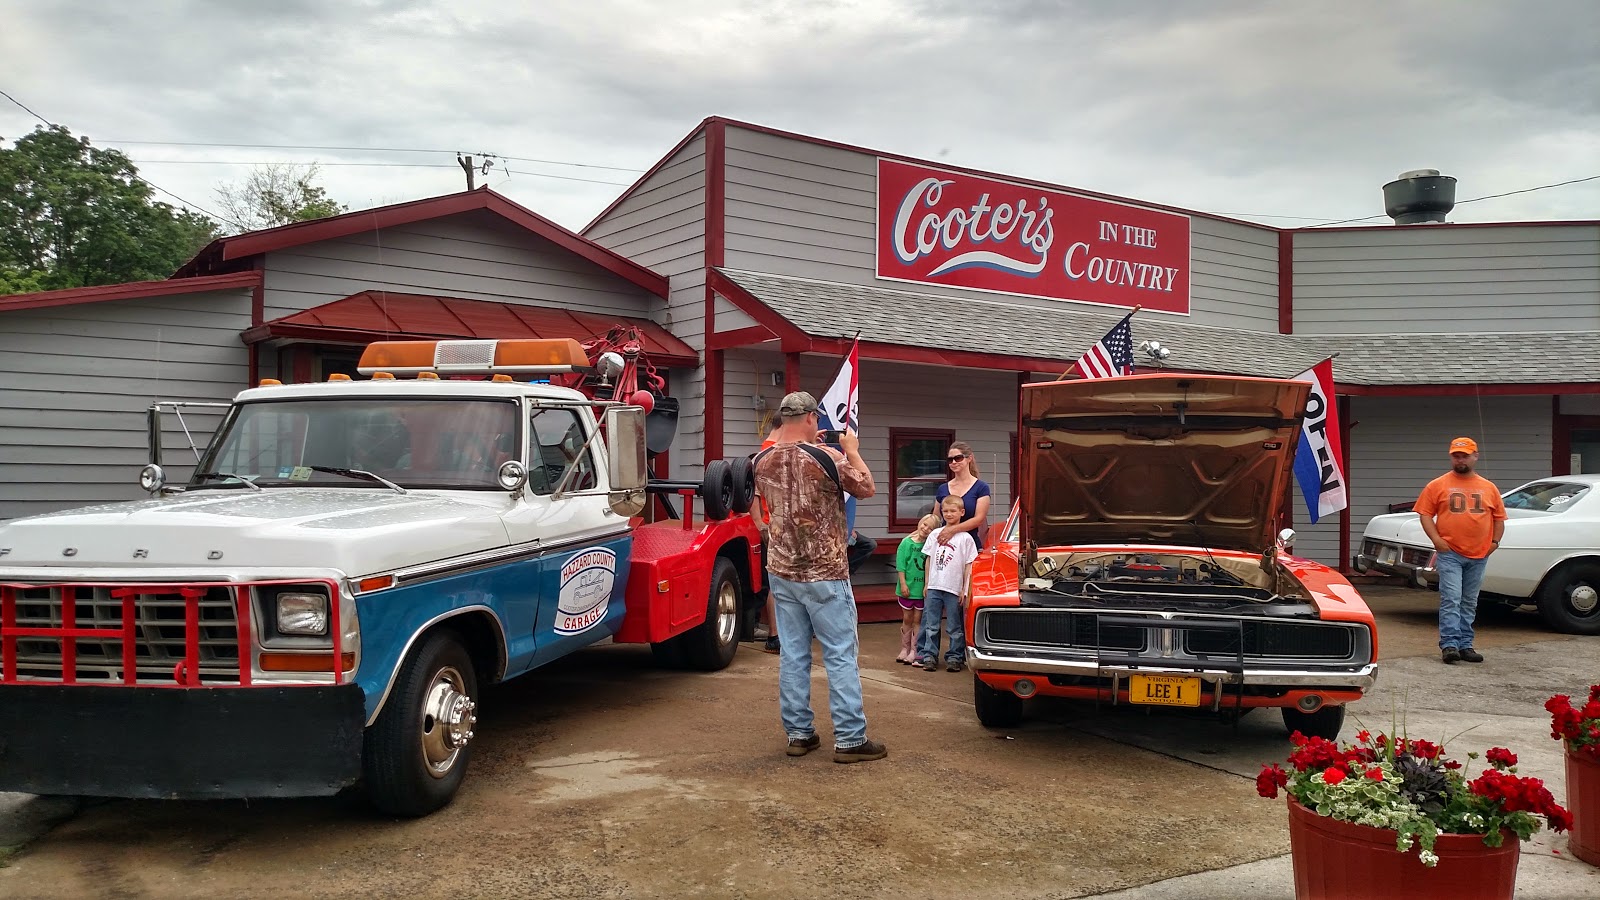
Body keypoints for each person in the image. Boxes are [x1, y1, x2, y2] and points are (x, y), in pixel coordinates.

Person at [751, 391, 886, 763]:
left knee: (793, 654)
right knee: (840, 654)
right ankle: (850, 738)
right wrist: (852, 449)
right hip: (824, 570)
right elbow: (867, 487)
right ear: (811, 417)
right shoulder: (829, 456)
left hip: (782, 569)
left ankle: (798, 734)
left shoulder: (760, 460)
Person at [1414, 437, 1506, 665]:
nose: (1460, 459)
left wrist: (1494, 543)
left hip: (1479, 554)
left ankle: (1466, 645)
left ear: (1475, 456)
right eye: (1456, 455)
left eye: (1465, 455)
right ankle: (1449, 645)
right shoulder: (1437, 485)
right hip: (1450, 553)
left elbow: (1499, 518)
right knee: (1451, 598)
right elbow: (1424, 513)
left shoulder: (1488, 487)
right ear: (1451, 456)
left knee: (1469, 601)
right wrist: (1436, 539)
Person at [919, 495, 978, 673]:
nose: (949, 514)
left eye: (953, 511)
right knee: (931, 623)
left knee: (954, 626)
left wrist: (964, 588)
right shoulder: (935, 534)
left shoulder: (966, 538)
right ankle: (929, 655)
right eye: (945, 511)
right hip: (935, 586)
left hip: (953, 588)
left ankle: (955, 657)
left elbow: (969, 564)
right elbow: (929, 559)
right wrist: (927, 582)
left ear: (962, 512)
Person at [894, 514, 941, 664]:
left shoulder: (931, 545)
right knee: (907, 618)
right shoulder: (906, 543)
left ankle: (915, 650)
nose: (925, 529)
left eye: (930, 528)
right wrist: (903, 584)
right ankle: (904, 648)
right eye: (924, 524)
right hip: (907, 587)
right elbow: (901, 565)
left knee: (918, 620)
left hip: (921, 590)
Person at [935, 441, 993, 551]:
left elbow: (979, 519)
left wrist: (952, 530)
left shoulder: (981, 487)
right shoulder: (943, 488)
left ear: (969, 458)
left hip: (969, 546)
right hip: (945, 544)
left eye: (958, 458)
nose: (953, 462)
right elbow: (936, 518)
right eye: (950, 459)